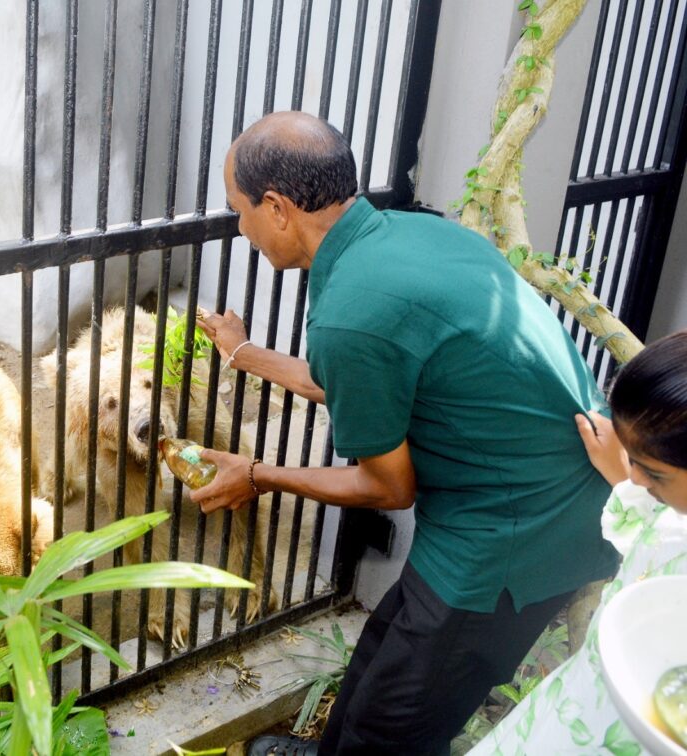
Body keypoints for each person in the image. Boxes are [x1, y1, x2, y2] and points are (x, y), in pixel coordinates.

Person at [191, 111, 619, 755]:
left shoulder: (353, 311)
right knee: (377, 660)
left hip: (513, 538)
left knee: (396, 724)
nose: (240, 228)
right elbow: (372, 372)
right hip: (520, 497)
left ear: (276, 208)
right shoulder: (415, 238)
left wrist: (255, 475)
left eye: (239, 210)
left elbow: (387, 486)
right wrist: (244, 351)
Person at [469, 330, 687, 754]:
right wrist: (624, 472)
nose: (639, 481)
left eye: (654, 472)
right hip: (572, 712)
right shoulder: (670, 512)